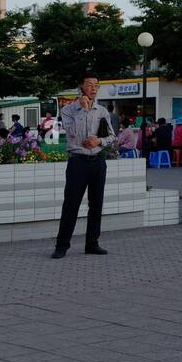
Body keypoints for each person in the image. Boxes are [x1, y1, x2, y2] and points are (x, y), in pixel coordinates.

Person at [52, 75, 116, 259]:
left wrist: (99, 140)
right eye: (89, 85)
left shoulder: (102, 111)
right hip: (77, 161)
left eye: (96, 85)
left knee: (96, 204)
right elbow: (71, 133)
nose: (93, 88)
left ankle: (92, 244)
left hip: (97, 161)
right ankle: (62, 246)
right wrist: (82, 110)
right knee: (71, 204)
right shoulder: (67, 110)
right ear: (81, 86)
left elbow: (112, 137)